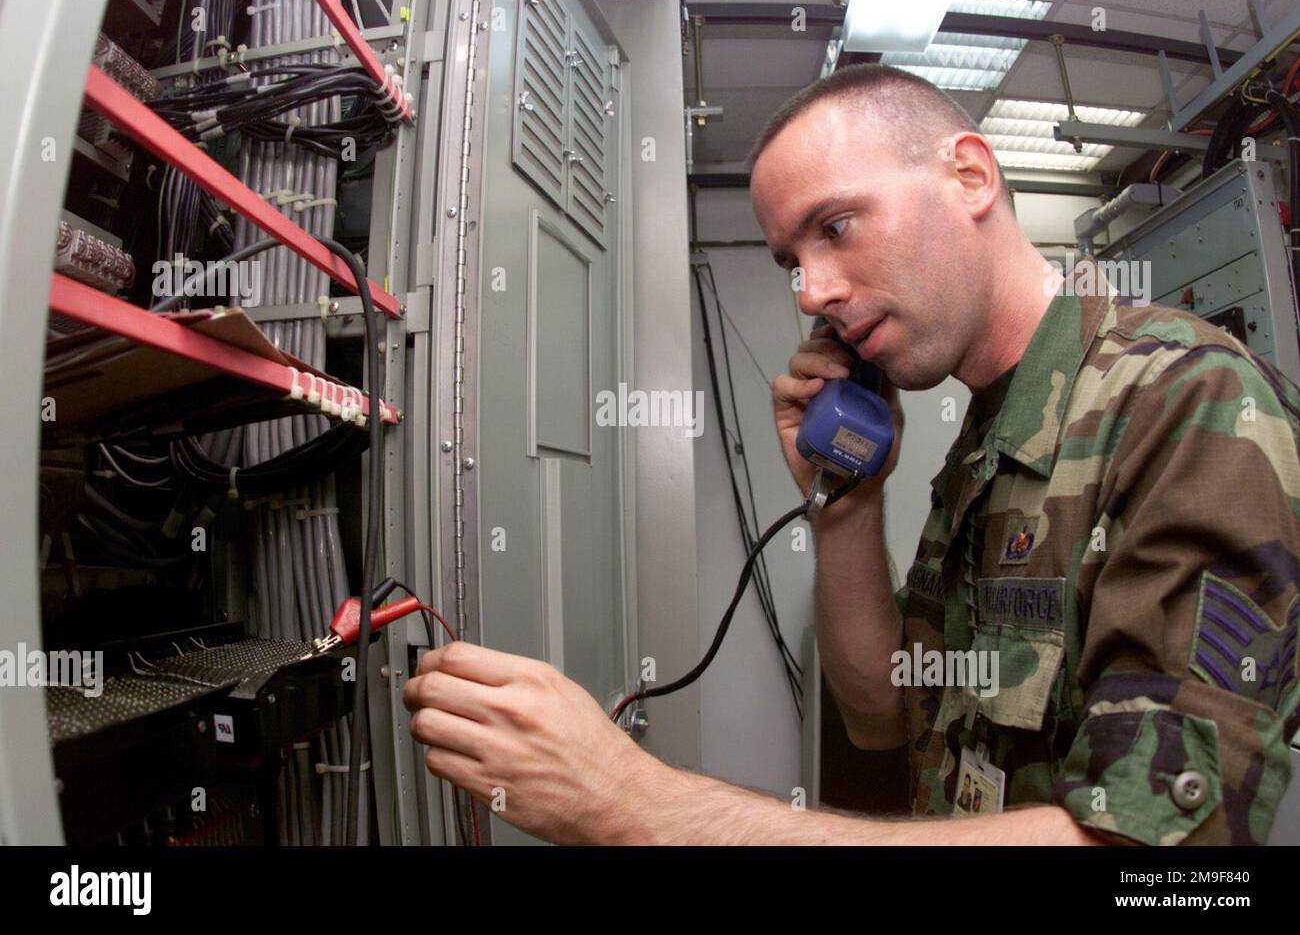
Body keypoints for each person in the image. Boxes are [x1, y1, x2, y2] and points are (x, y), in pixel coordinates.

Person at [403, 64, 1300, 845]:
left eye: (835, 228)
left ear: (969, 175)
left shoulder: (1186, 400)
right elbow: (883, 716)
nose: (813, 293)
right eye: (791, 257)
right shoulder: (991, 437)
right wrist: (846, 502)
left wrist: (639, 805)